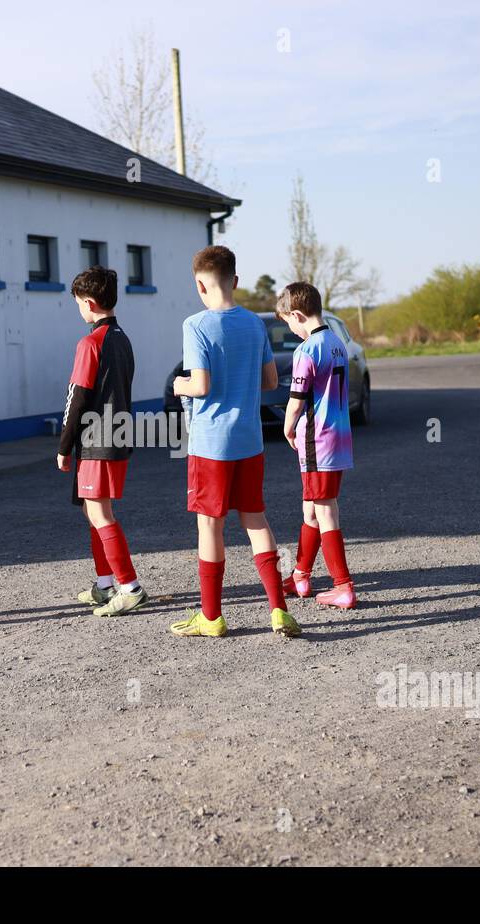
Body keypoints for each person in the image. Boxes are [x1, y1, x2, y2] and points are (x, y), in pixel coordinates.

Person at [170, 246, 301, 638]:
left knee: (209, 525)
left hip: (211, 443)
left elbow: (201, 384)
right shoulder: (254, 324)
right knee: (255, 519)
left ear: (199, 284)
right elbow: (270, 382)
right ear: (236, 281)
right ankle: (279, 610)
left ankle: (211, 616)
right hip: (250, 438)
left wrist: (180, 385)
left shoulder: (195, 325)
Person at [56, 266, 148, 617]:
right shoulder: (122, 338)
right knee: (91, 510)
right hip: (118, 433)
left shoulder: (90, 342)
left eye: (79, 303)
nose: (79, 309)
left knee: (99, 512)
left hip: (99, 438)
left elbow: (76, 397)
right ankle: (106, 583)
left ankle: (130, 587)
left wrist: (64, 447)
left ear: (89, 303)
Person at [275, 283, 356, 608]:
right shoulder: (337, 342)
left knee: (324, 509)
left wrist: (287, 426)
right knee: (311, 507)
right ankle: (300, 576)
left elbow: (296, 400)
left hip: (316, 439)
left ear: (297, 314)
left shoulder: (307, 350)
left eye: (288, 322)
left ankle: (343, 586)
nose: (290, 329)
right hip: (339, 436)